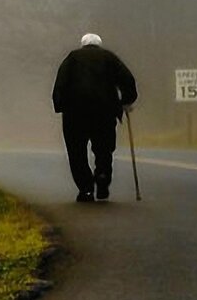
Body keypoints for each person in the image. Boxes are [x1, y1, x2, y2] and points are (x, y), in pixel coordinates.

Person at [52, 33, 137, 202]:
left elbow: (60, 83)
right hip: (104, 111)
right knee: (104, 148)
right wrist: (126, 101)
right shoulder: (109, 58)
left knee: (77, 152)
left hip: (75, 113)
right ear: (99, 45)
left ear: (82, 45)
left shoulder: (72, 58)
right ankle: (103, 177)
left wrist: (60, 105)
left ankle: (86, 189)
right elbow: (128, 80)